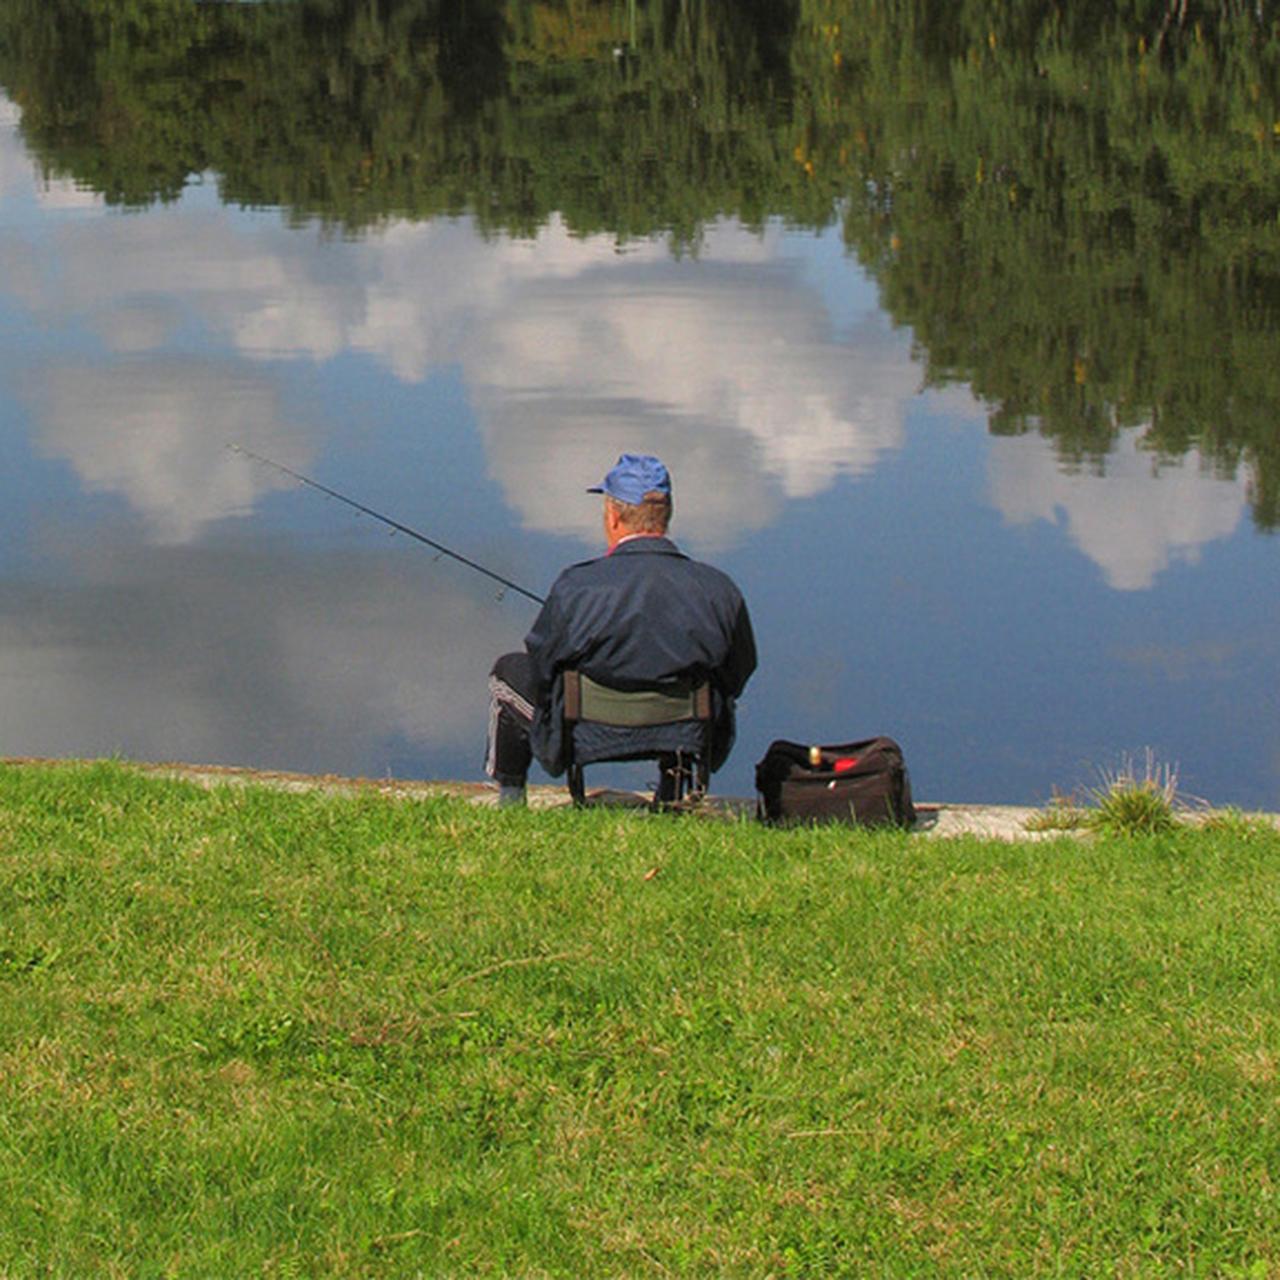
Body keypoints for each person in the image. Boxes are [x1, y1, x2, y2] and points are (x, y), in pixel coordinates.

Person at [486, 453, 756, 806]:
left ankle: (510, 798)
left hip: (585, 732)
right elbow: (739, 670)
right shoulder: (718, 589)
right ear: (666, 515)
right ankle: (672, 791)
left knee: (507, 673)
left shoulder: (577, 586)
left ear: (613, 517)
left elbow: (542, 667)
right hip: (689, 733)